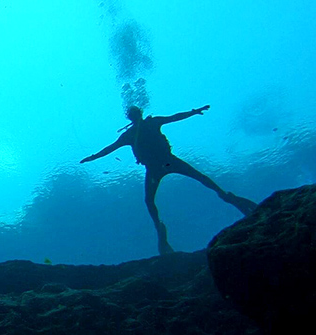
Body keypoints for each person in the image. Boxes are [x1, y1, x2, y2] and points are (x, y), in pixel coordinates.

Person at [80, 105, 257, 255]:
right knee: (160, 196)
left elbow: (174, 117)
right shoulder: (138, 129)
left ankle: (226, 197)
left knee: (187, 184)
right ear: (135, 115)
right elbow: (110, 148)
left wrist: (194, 112)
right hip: (162, 163)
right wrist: (93, 157)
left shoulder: (143, 127)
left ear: (132, 116)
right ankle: (162, 229)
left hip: (162, 163)